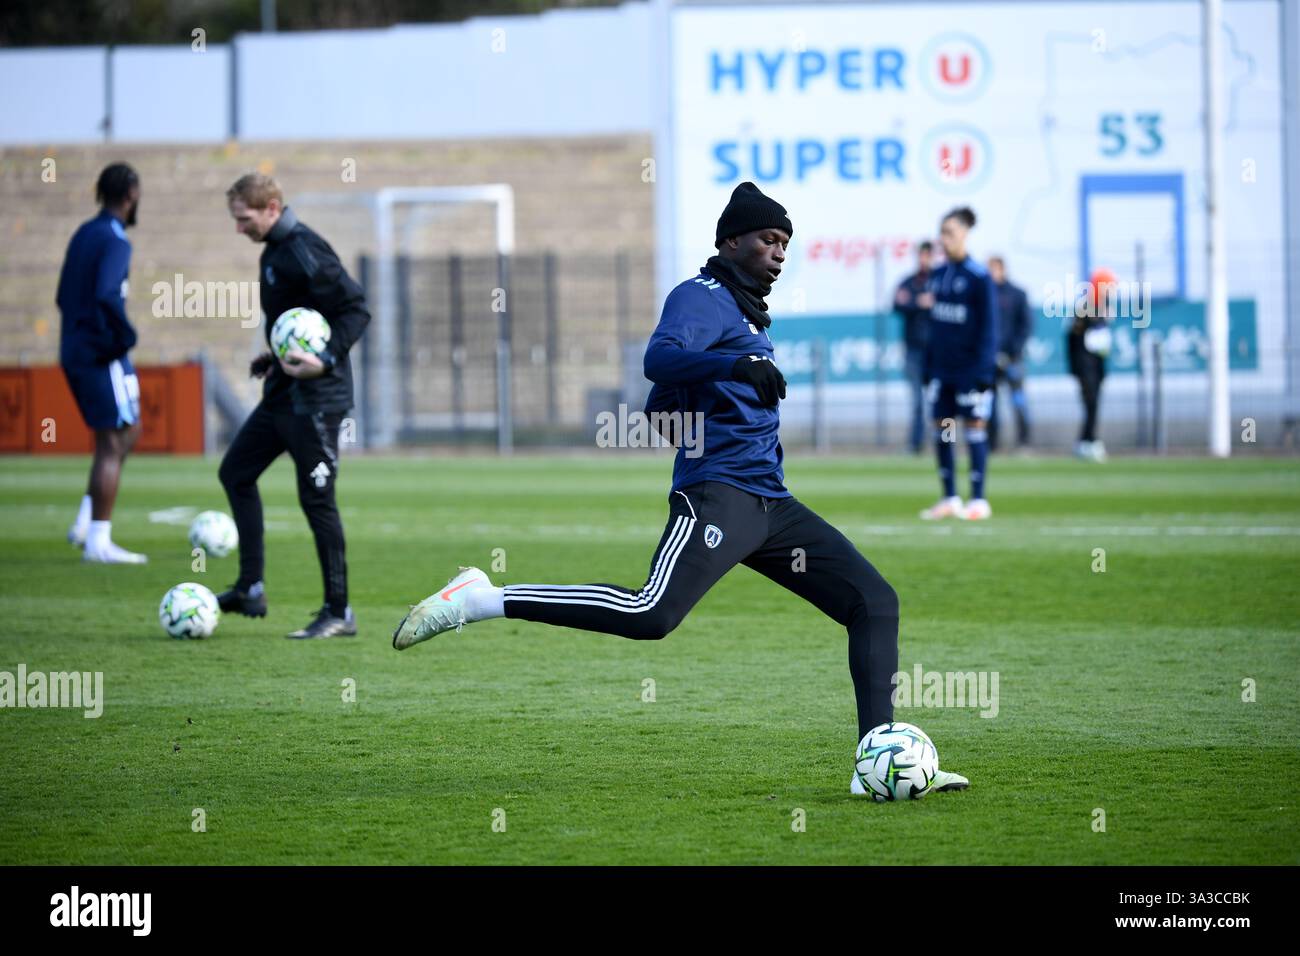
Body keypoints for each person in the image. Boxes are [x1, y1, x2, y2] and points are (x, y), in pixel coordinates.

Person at [392, 181, 969, 796]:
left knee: (873, 602)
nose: (779, 253)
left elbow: (663, 406)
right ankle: (482, 597)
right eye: (768, 240)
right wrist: (730, 367)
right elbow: (659, 359)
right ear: (730, 241)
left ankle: (875, 766)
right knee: (653, 614)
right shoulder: (702, 296)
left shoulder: (745, 310)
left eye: (785, 244)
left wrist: (692, 401)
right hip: (718, 494)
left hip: (769, 504)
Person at [217, 174, 371, 638]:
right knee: (236, 473)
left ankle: (339, 613)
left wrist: (322, 360)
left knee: (316, 501)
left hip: (317, 403)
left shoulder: (305, 249)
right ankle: (250, 587)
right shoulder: (275, 252)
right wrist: (277, 358)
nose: (238, 228)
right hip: (284, 394)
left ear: (272, 208)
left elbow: (355, 309)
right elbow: (302, 322)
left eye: (244, 219)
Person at [57, 163, 147, 564]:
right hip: (101, 353)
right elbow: (107, 294)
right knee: (113, 439)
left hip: (76, 347)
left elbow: (62, 296)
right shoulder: (115, 240)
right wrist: (124, 336)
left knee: (129, 430)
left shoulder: (83, 233)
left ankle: (85, 522)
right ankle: (99, 542)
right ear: (130, 193)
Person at [919, 207, 998, 521]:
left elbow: (990, 328)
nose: (944, 239)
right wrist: (928, 366)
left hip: (970, 370)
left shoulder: (978, 277)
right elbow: (933, 327)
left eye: (950, 232)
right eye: (942, 232)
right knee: (943, 430)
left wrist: (984, 370)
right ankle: (950, 497)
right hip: (942, 369)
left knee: (975, 428)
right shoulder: (938, 276)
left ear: (965, 233)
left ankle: (978, 500)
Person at [1067, 268, 1116, 463]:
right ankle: (1089, 441)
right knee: (1091, 403)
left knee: (1094, 404)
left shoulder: (1104, 308)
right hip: (1085, 366)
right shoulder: (1085, 308)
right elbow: (1076, 337)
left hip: (1097, 366)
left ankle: (1086, 440)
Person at [987, 256, 1033, 451]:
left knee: (1018, 401)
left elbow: (1025, 326)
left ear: (1003, 269)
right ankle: (992, 444)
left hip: (1013, 359)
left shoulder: (1017, 294)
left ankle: (1023, 442)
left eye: (995, 269)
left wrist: (1012, 350)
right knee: (989, 405)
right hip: (989, 360)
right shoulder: (983, 295)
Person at [893, 241, 934, 454]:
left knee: (940, 402)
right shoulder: (909, 282)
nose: (924, 260)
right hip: (914, 350)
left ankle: (944, 442)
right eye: (921, 256)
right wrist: (919, 302)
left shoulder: (941, 281)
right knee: (918, 402)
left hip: (937, 351)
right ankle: (916, 445)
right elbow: (898, 303)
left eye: (928, 256)